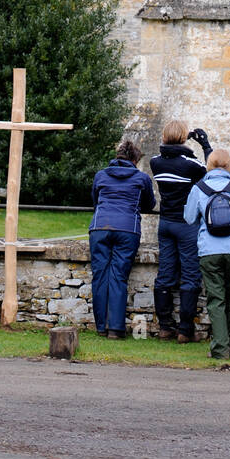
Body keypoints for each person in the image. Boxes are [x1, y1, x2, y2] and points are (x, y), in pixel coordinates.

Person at [184, 148, 230, 361]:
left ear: (209, 165)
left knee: (216, 300)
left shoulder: (199, 188)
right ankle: (227, 344)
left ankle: (220, 349)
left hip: (210, 250)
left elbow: (189, 218)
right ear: (228, 165)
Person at [149, 120, 211, 342]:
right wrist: (205, 145)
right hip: (186, 224)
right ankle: (185, 329)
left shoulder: (155, 162)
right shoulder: (190, 164)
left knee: (165, 274)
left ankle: (165, 326)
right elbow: (211, 171)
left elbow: (167, 155)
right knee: (190, 275)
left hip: (165, 223)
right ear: (184, 137)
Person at [89, 140, 156, 338]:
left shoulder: (101, 175)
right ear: (135, 159)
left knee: (100, 275)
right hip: (128, 228)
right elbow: (149, 204)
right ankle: (116, 328)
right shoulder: (141, 178)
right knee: (118, 275)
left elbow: (95, 200)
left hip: (100, 226)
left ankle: (101, 326)